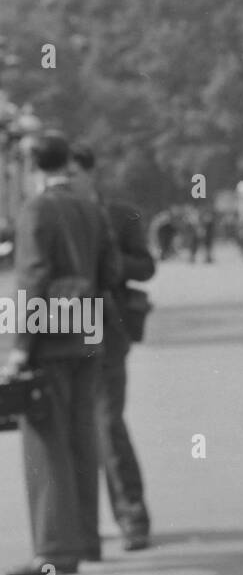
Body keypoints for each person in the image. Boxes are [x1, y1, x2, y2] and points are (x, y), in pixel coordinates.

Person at [5, 131, 121, 575]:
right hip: (88, 327)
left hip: (51, 335)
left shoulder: (36, 209)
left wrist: (19, 348)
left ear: (35, 165)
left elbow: (32, 278)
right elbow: (109, 270)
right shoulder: (90, 207)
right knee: (80, 435)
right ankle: (88, 538)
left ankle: (55, 548)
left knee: (45, 440)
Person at [68, 143, 155, 552]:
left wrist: (111, 260)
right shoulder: (55, 213)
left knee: (107, 423)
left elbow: (146, 265)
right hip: (62, 331)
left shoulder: (118, 214)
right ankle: (80, 525)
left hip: (106, 328)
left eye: (72, 173)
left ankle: (132, 515)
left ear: (89, 173)